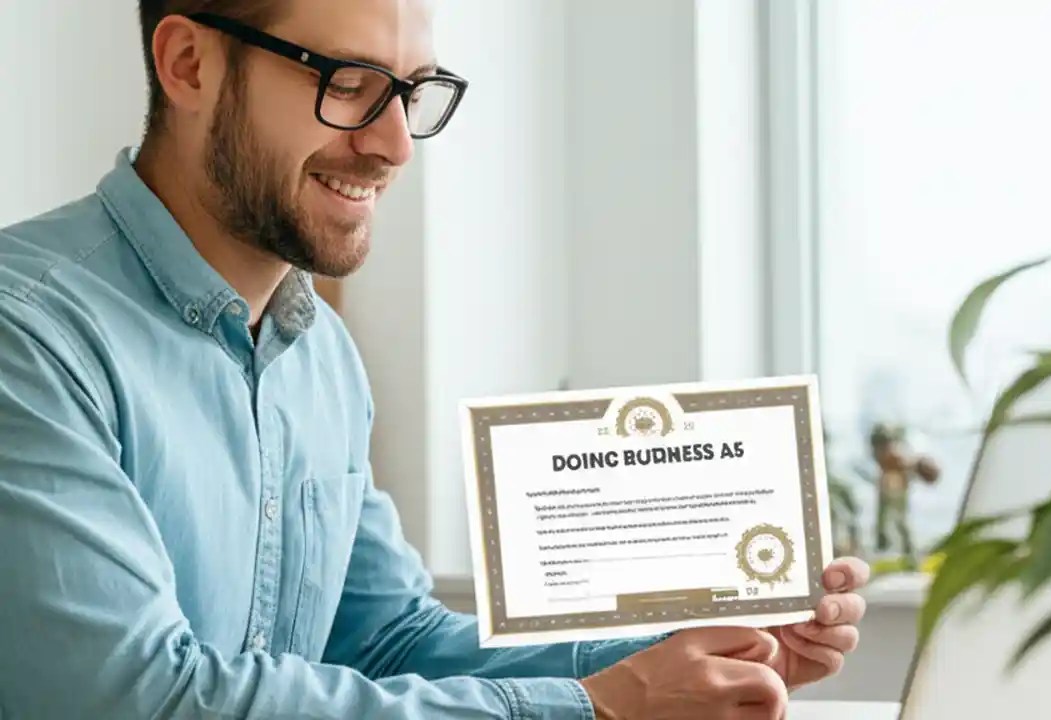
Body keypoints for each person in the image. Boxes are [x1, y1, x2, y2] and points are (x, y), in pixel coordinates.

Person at [0, 0, 869, 718]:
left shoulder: (319, 356)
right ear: (189, 64)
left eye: (412, 93)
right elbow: (128, 697)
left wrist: (694, 656)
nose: (394, 145)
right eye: (348, 84)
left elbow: (390, 641)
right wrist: (598, 706)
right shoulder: (28, 335)